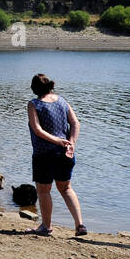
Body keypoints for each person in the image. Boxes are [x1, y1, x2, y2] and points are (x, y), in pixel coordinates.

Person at [25, 73, 86, 236]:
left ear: (34, 89)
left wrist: (58, 141)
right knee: (66, 188)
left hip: (44, 154)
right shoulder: (62, 101)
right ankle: (80, 224)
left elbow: (37, 130)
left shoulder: (34, 104)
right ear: (50, 86)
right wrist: (71, 143)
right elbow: (75, 123)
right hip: (65, 153)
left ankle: (46, 226)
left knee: (44, 190)